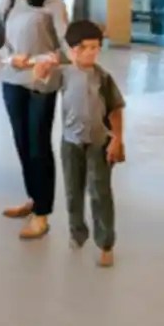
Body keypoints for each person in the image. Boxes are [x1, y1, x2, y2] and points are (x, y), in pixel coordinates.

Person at [0, 0, 70, 240]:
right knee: (23, 144)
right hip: (12, 80)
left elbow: (67, 48)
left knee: (38, 146)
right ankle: (34, 198)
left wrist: (44, 61)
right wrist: (10, 59)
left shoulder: (52, 3)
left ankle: (43, 214)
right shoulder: (5, 1)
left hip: (41, 83)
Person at [34, 20, 126, 268]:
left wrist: (117, 139)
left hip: (99, 142)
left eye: (96, 47)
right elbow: (43, 87)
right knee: (73, 191)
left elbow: (116, 109)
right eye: (85, 47)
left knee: (100, 192)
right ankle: (77, 232)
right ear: (72, 49)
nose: (92, 52)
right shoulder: (63, 73)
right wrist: (41, 73)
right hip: (71, 142)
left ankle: (105, 242)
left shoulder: (103, 78)